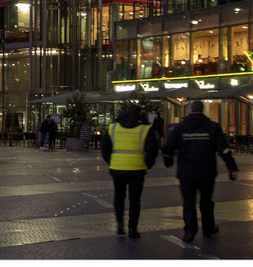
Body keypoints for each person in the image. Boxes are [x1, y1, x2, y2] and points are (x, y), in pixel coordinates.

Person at [162, 100, 238, 242]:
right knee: (206, 201)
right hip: (207, 171)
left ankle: (190, 232)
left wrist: (168, 161)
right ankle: (208, 229)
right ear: (203, 110)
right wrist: (232, 167)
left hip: (186, 172)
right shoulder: (213, 127)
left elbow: (169, 147)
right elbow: (224, 149)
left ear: (189, 110)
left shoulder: (179, 127)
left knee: (189, 202)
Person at [100, 102, 160, 238]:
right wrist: (147, 165)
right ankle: (133, 228)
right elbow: (152, 150)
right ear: (139, 113)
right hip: (137, 169)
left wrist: (111, 161)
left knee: (119, 197)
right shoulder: (145, 129)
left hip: (117, 168)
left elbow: (105, 148)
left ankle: (119, 224)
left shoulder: (113, 128)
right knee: (135, 200)